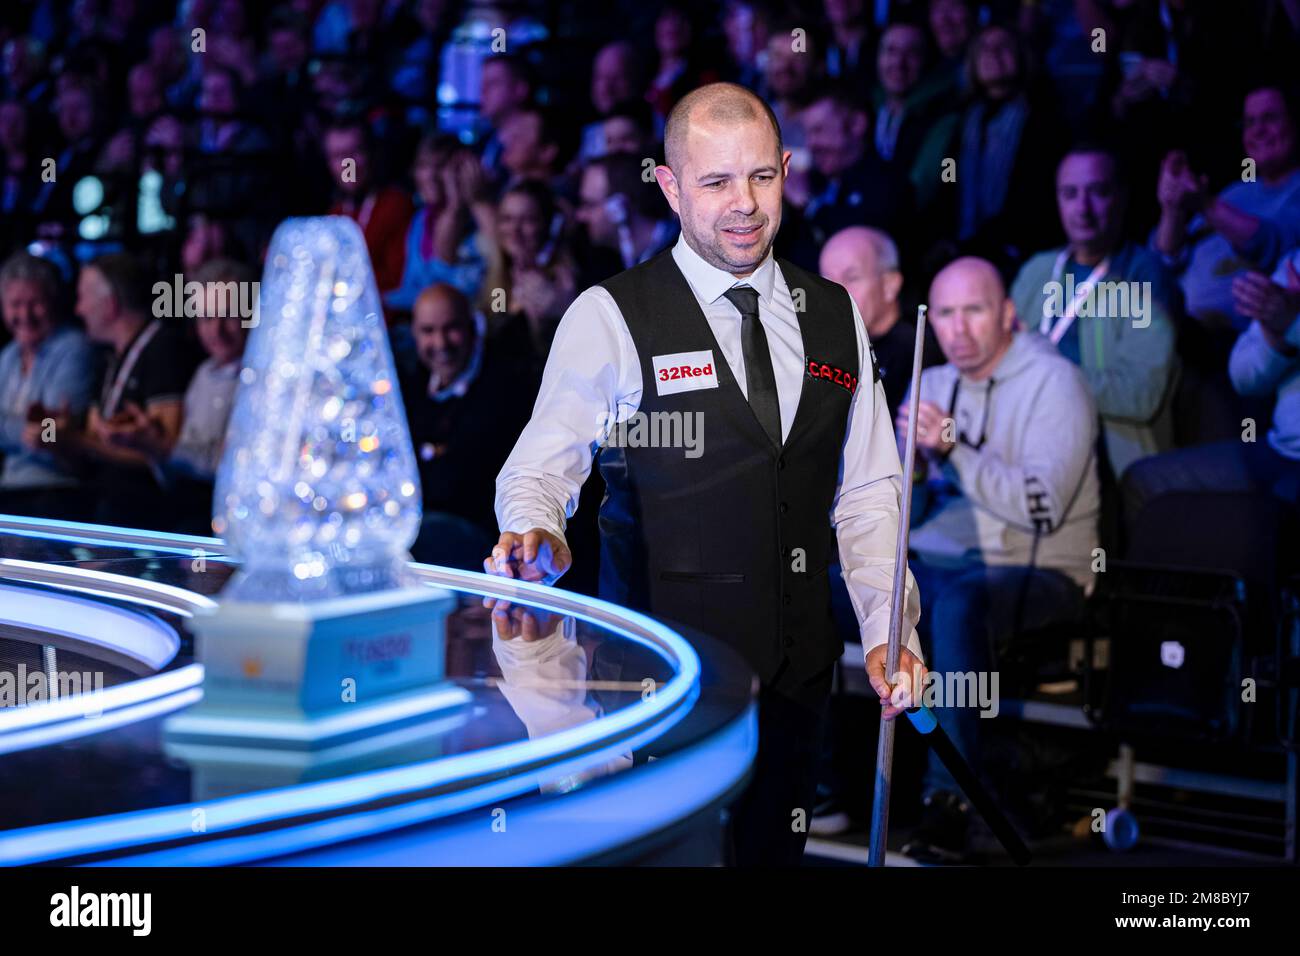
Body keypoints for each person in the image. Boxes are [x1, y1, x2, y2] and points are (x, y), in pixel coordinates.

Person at [487, 82, 924, 866]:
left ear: (788, 169)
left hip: (798, 678)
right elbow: (542, 465)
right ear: (669, 186)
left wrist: (892, 628)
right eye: (717, 181)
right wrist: (534, 526)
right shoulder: (612, 314)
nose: (745, 204)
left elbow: (867, 495)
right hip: (664, 678)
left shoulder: (835, 314)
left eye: (762, 176)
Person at [899, 256, 1100, 863]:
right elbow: (898, 503)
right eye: (947, 315)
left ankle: (955, 801)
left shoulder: (1055, 382)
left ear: (1008, 313)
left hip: (1043, 569)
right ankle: (814, 781)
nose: (958, 331)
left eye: (975, 311)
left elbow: (1040, 507)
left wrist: (955, 449)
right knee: (823, 587)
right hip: (946, 558)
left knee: (959, 605)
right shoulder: (931, 383)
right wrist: (903, 463)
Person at [1010, 145, 1179, 480]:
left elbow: (1140, 395)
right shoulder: (1038, 271)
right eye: (1070, 194)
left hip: (1109, 456)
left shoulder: (1143, 276)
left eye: (1098, 192)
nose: (1082, 209)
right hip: (1026, 442)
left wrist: (1047, 375)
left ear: (1122, 197)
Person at [400, 283, 540, 562]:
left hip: (488, 548)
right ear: (414, 333)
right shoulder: (408, 388)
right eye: (428, 331)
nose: (440, 344)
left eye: (451, 328)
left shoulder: (509, 388)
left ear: (473, 327)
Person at [58, 253, 198, 529]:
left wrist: (76, 440)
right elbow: (97, 436)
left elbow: (162, 455)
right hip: (106, 508)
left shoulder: (162, 349)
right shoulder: (109, 358)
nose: (78, 309)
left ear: (109, 305)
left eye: (83, 297)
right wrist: (60, 432)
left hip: (146, 519)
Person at [0, 252, 95, 519]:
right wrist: (24, 430)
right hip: (11, 487)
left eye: (34, 303)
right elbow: (34, 431)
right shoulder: (8, 355)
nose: (24, 315)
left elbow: (52, 432)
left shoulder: (74, 349)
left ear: (53, 302)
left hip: (57, 489)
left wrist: (17, 428)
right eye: (15, 304)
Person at [819, 225, 942, 418]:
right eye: (826, 281)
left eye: (851, 278)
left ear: (889, 285)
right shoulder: (823, 349)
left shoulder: (918, 353)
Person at [384, 134, 493, 313]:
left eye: (441, 166)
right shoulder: (420, 220)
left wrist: (455, 206)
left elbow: (455, 289)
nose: (430, 176)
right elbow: (411, 283)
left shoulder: (477, 222)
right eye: (423, 166)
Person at [324, 118, 413, 296]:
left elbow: (398, 283)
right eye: (338, 156)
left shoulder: (395, 206)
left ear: (372, 153)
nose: (347, 165)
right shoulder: (335, 214)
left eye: (353, 152)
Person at [575, 153, 678, 270]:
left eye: (590, 205)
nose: (580, 216)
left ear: (619, 206)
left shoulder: (678, 251)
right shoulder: (607, 265)